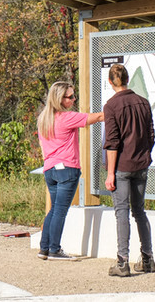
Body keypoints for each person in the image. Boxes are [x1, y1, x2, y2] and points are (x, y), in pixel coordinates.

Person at [36, 81, 104, 261]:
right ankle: (54, 249)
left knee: (53, 210)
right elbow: (96, 118)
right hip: (67, 169)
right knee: (60, 211)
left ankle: (44, 248)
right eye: (70, 97)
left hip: (50, 169)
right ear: (59, 98)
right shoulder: (67, 117)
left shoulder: (44, 118)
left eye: (74, 96)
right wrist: (115, 111)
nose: (73, 100)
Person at [103, 63, 155, 276]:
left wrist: (110, 173)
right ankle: (147, 258)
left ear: (110, 82)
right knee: (139, 211)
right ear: (126, 79)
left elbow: (112, 142)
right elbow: (151, 135)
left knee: (121, 212)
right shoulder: (143, 103)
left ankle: (122, 262)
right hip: (141, 164)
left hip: (122, 166)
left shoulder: (111, 106)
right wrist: (144, 154)